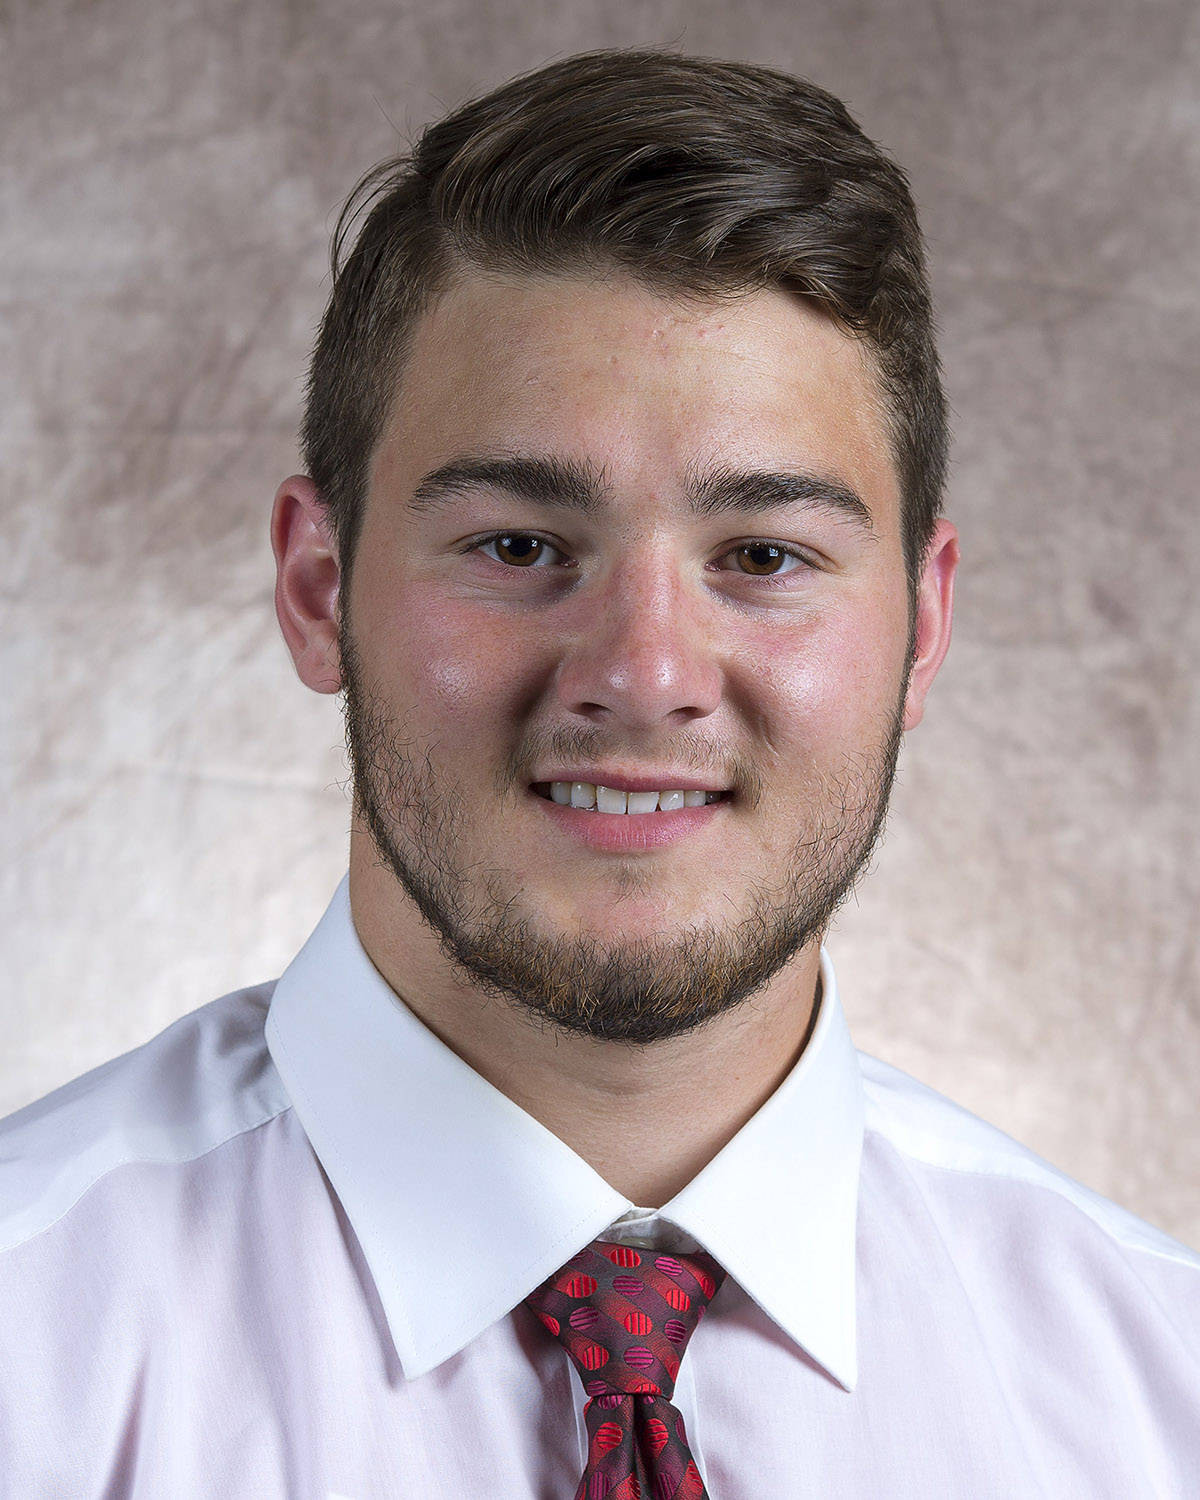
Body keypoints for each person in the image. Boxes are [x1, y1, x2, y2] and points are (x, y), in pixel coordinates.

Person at [1, 44, 1196, 1500]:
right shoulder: (31, 1355)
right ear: (320, 591)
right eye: (518, 547)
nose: (643, 673)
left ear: (925, 626)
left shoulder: (1161, 1396)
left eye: (764, 557)